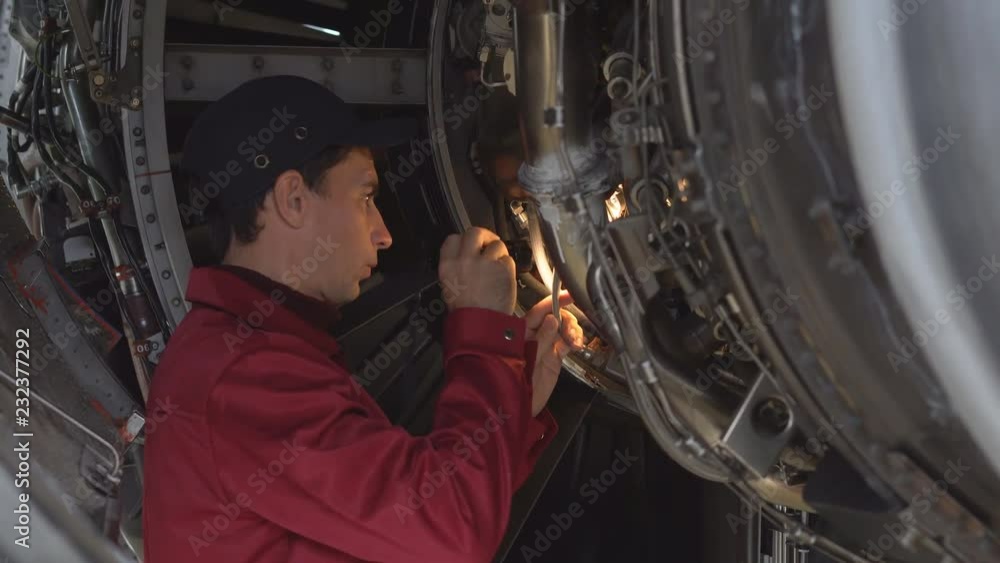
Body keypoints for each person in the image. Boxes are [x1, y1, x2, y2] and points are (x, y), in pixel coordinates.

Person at [142, 75, 584, 563]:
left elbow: (402, 534)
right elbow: (448, 530)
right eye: (366, 196)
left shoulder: (244, 359)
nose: (383, 233)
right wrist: (482, 336)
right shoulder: (240, 377)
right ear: (293, 200)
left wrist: (511, 403)